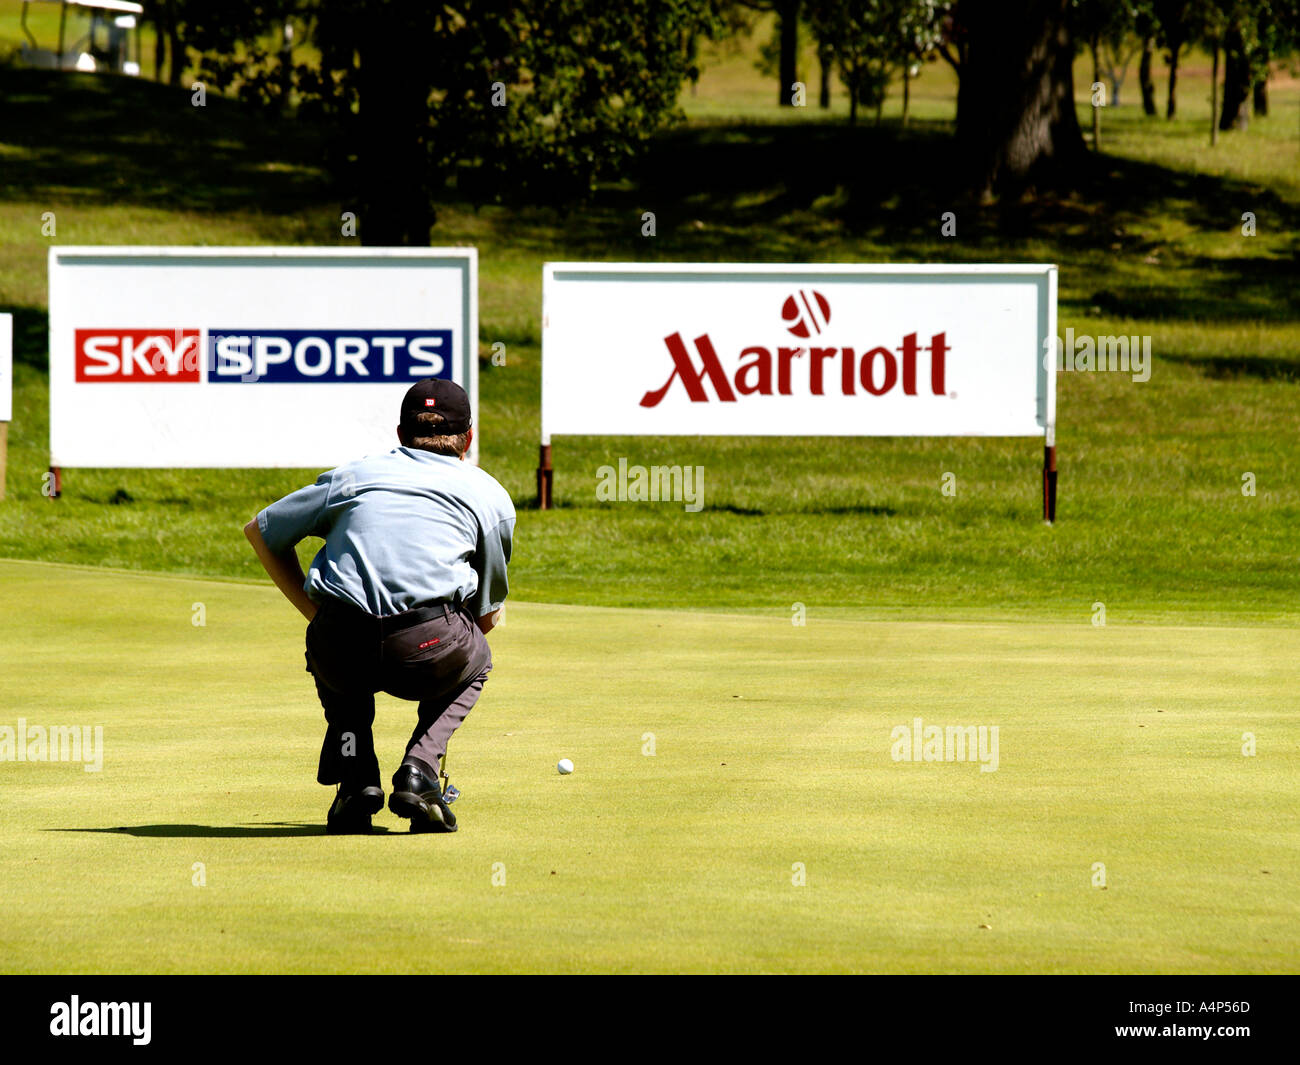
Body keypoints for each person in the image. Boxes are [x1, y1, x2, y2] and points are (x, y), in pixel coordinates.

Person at [243, 379, 515, 835]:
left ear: (400, 432)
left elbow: (261, 531)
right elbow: (486, 616)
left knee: (332, 642)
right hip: (429, 645)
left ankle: (355, 781)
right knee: (477, 659)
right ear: (468, 439)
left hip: (341, 644)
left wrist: (318, 615)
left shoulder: (352, 476)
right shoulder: (489, 496)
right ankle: (420, 771)